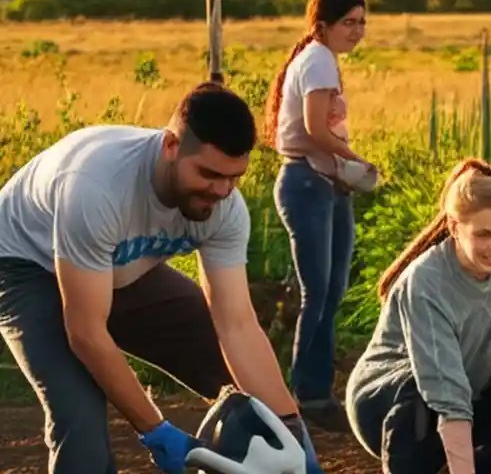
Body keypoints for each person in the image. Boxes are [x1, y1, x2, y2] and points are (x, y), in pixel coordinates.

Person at [0, 82, 324, 474]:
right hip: (27, 267)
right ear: (170, 146)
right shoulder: (96, 187)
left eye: (233, 177)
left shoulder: (225, 207)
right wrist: (156, 431)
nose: (221, 191)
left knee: (244, 392)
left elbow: (236, 324)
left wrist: (291, 433)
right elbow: (85, 331)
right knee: (80, 413)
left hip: (119, 268)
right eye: (208, 174)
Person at [345, 159, 491, 474]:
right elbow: (446, 393)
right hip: (390, 403)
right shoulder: (427, 283)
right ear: (454, 228)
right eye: (483, 235)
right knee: (420, 403)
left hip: (462, 388)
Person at [264, 0, 376, 430]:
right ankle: (309, 396)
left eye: (362, 21)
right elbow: (313, 128)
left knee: (330, 292)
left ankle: (314, 392)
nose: (358, 31)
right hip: (308, 183)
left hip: (322, 182)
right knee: (319, 294)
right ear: (322, 25)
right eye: (349, 22)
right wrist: (356, 161)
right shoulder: (318, 60)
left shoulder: (317, 58)